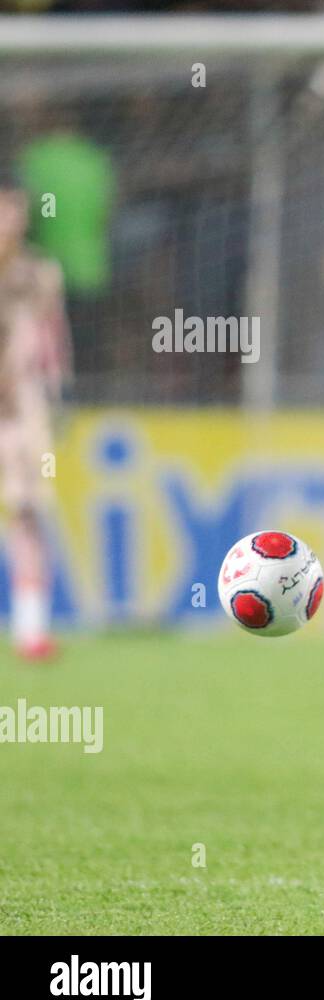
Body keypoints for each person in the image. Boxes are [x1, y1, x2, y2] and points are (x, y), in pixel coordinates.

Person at [0, 188, 71, 661]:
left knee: (25, 510)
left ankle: (31, 629)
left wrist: (58, 390)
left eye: (14, 215)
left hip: (21, 408)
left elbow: (50, 338)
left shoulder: (40, 274)